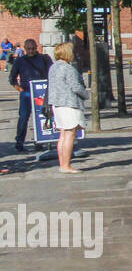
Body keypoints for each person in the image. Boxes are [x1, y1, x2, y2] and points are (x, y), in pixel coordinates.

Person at [47, 42, 89, 174]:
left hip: (57, 104)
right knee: (70, 134)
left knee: (63, 134)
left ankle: (62, 164)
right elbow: (75, 86)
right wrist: (86, 94)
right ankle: (66, 165)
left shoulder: (53, 67)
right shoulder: (68, 68)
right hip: (69, 104)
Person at [9, 39, 52, 152]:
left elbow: (52, 73)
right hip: (27, 92)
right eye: (28, 49)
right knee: (23, 117)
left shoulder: (44, 59)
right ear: (25, 48)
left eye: (33, 48)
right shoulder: (20, 61)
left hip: (41, 93)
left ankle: (40, 140)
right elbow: (12, 79)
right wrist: (20, 89)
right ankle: (20, 141)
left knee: (41, 117)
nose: (31, 51)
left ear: (36, 47)